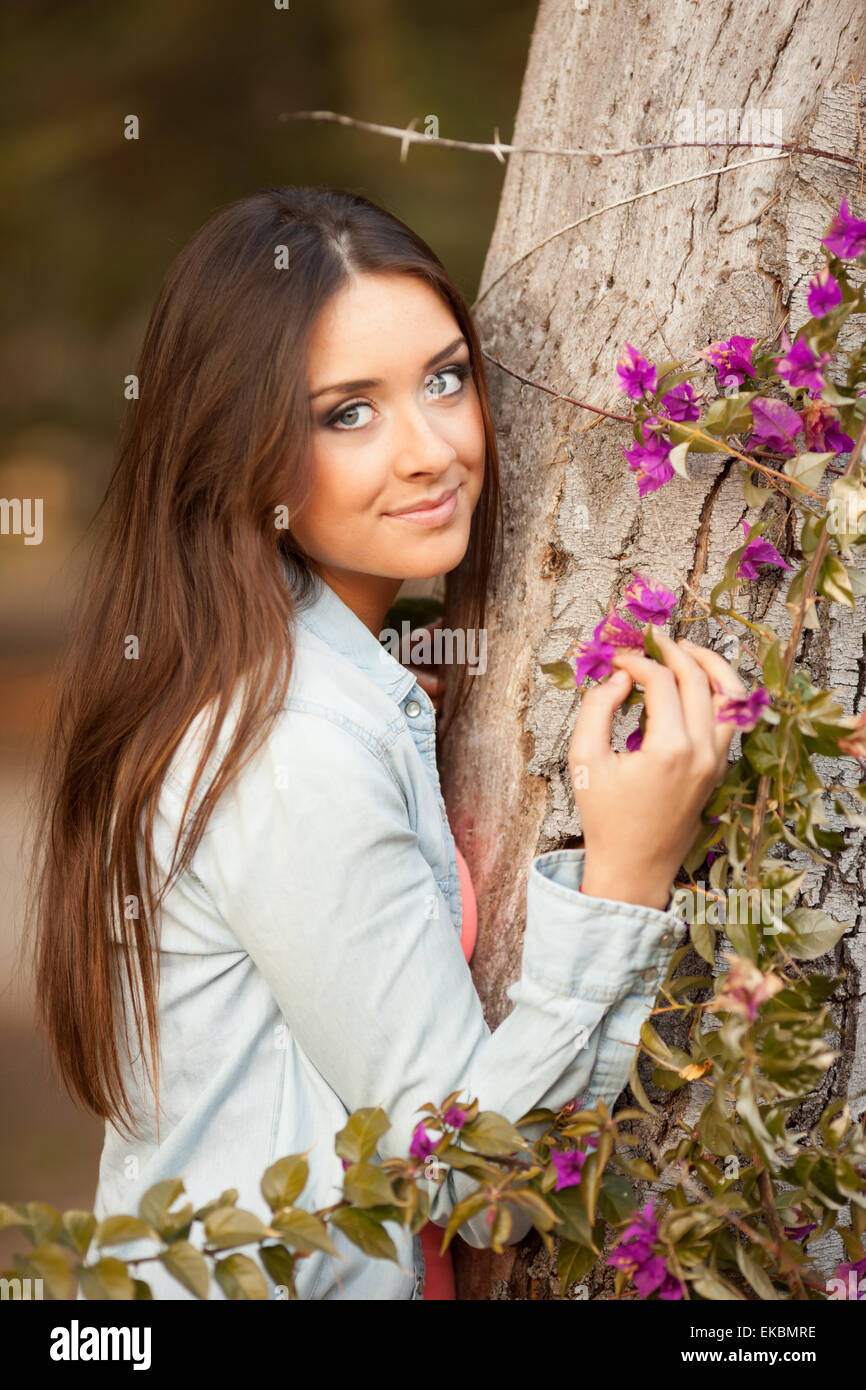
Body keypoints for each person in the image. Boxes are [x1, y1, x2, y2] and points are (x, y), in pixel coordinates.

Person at [28, 186, 747, 1301]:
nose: (430, 451)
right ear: (237, 446)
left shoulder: (296, 679)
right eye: (347, 413)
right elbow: (471, 1178)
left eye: (444, 380)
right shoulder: (288, 745)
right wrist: (626, 877)